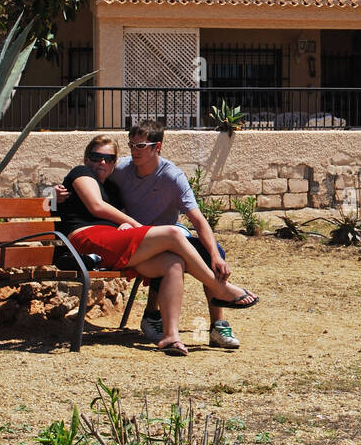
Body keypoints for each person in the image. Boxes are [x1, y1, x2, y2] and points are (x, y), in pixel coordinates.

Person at [58, 118, 250, 349]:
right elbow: (94, 206)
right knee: (173, 234)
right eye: (97, 157)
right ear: (86, 158)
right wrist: (53, 193)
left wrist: (128, 226)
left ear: (156, 147)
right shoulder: (82, 172)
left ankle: (171, 335)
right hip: (91, 240)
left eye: (109, 158)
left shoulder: (119, 181)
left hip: (121, 243)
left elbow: (197, 218)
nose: (103, 162)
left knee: (174, 262)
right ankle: (221, 289)